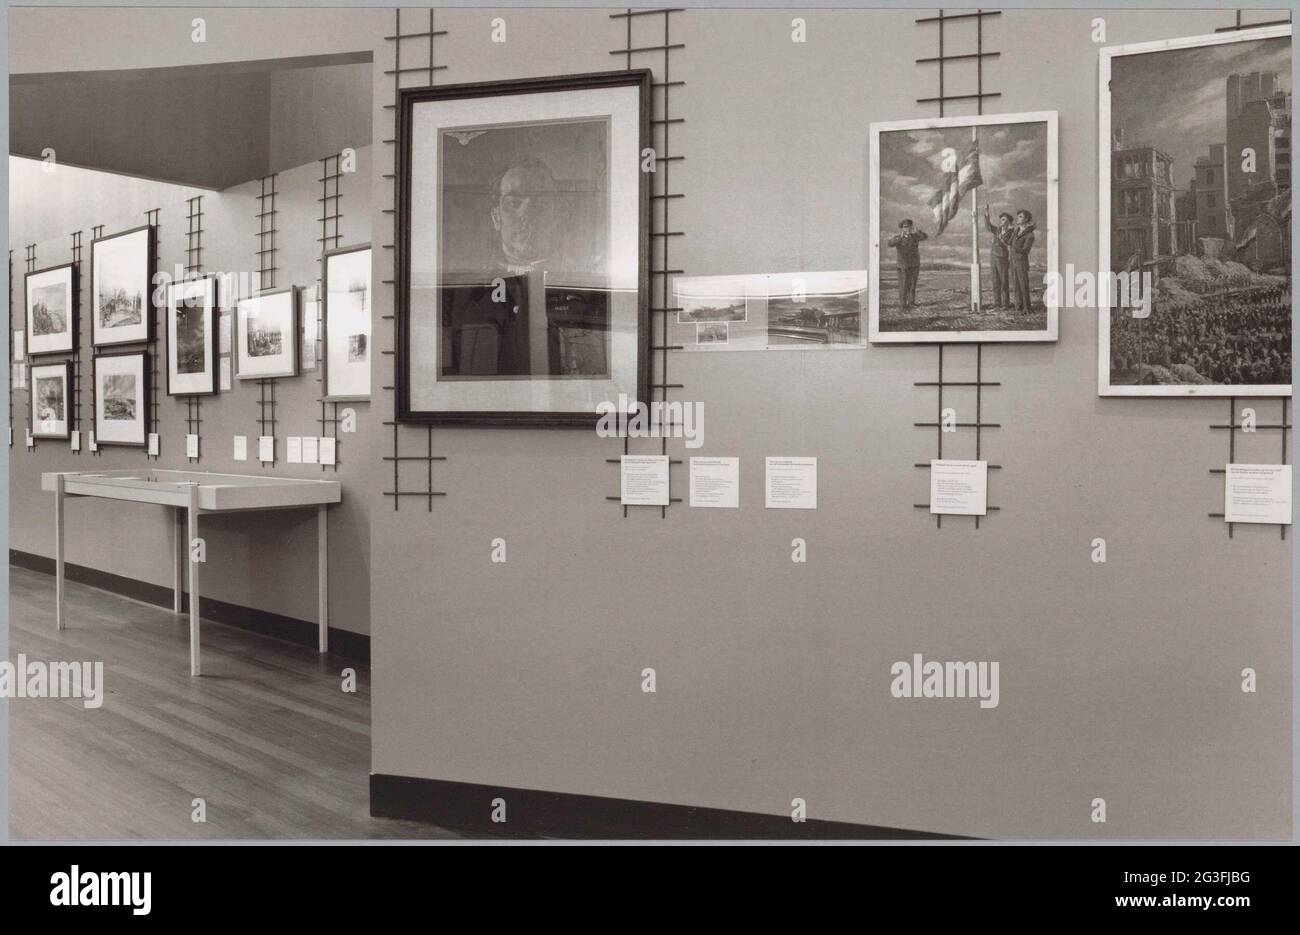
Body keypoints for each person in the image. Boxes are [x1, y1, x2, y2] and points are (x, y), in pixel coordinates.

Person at [887, 219, 927, 309]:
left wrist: (917, 232)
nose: (908, 228)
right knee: (903, 285)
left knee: (912, 285)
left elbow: (925, 237)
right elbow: (890, 243)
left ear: (911, 227)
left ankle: (912, 303)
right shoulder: (898, 238)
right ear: (902, 228)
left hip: (914, 265)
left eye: (909, 226)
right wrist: (900, 237)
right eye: (905, 227)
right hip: (903, 266)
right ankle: (903, 305)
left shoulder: (915, 236)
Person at [983, 207, 1013, 309]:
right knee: (995, 281)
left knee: (1004, 281)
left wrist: (1001, 240)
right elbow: (988, 227)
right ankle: (997, 303)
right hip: (993, 257)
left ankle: (1006, 304)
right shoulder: (997, 230)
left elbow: (1009, 243)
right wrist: (987, 214)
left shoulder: (1011, 232)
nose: (1001, 221)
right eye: (1001, 219)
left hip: (1003, 258)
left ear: (1009, 221)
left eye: (1004, 219)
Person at [1009, 209, 1036, 313]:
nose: (1018, 218)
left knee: (1023, 285)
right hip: (1013, 261)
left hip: (1021, 262)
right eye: (1018, 216)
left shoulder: (1030, 235)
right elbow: (1010, 242)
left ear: (1026, 219)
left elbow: (1025, 250)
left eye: (1020, 217)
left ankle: (1027, 308)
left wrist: (1014, 247)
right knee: (1016, 284)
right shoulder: (1016, 230)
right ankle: (1018, 306)